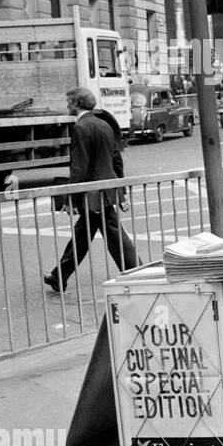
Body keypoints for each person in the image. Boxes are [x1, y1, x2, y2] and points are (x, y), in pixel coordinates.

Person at [45, 88, 138, 293]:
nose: (67, 105)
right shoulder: (104, 123)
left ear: (77, 103)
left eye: (69, 101)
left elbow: (79, 167)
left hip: (93, 194)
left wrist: (71, 199)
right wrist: (120, 192)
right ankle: (58, 276)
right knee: (83, 235)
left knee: (112, 237)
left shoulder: (81, 127)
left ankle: (138, 274)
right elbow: (116, 161)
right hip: (105, 191)